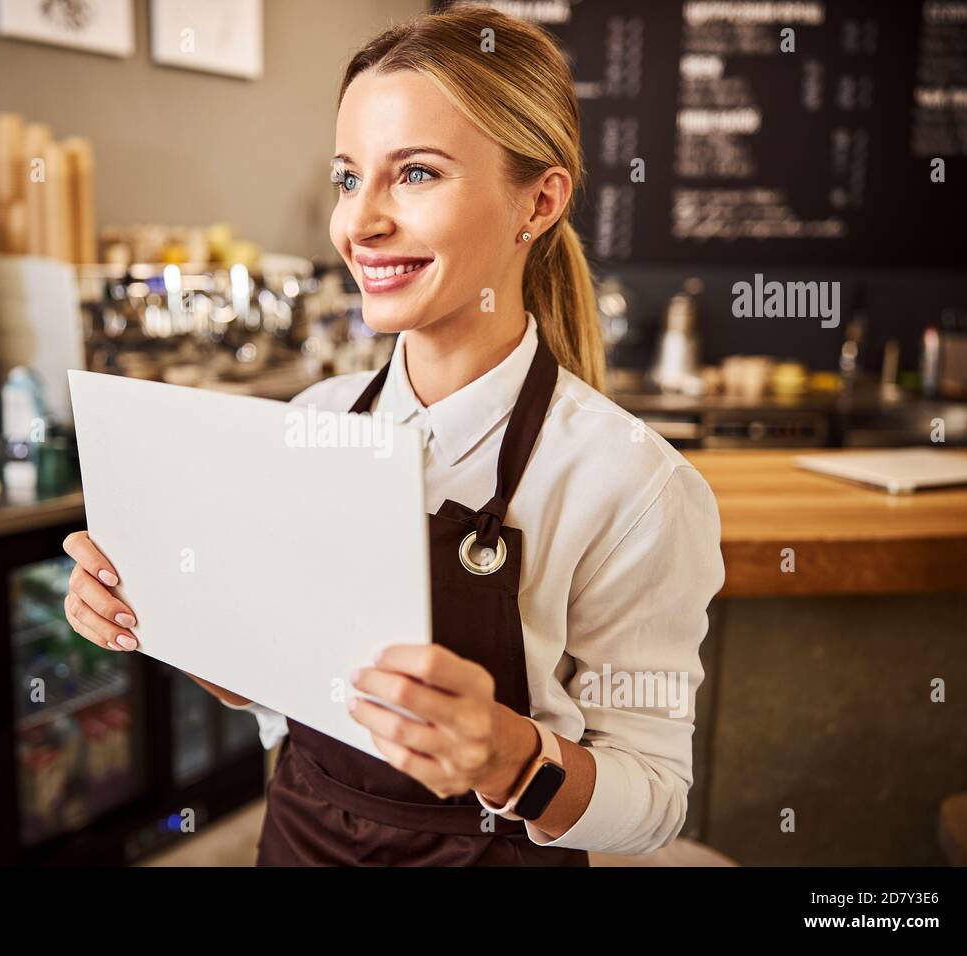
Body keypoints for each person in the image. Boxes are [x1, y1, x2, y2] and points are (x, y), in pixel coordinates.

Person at [62, 3, 724, 866]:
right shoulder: (311, 423)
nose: (358, 222)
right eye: (348, 177)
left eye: (414, 174)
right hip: (297, 839)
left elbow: (656, 800)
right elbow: (280, 702)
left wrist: (511, 760)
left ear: (541, 199)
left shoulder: (631, 486)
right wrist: (170, 621)